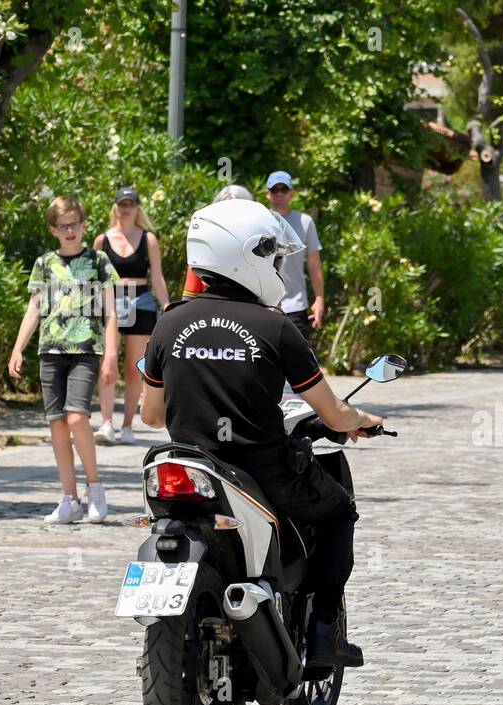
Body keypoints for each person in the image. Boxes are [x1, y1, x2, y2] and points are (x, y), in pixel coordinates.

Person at [139, 199, 383, 668]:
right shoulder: (275, 328)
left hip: (188, 466)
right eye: (271, 255)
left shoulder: (169, 322)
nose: (276, 265)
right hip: (261, 468)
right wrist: (361, 420)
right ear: (247, 255)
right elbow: (332, 414)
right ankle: (324, 633)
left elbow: (151, 415)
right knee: (338, 512)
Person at [7, 196, 119, 523]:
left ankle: (95, 488)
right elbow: (34, 308)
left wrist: (111, 353)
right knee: (56, 422)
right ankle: (69, 498)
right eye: (63, 226)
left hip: (86, 348)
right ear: (53, 229)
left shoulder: (99, 261)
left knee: (76, 417)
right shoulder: (44, 263)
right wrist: (18, 347)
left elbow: (112, 311)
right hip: (50, 350)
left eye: (75, 224)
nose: (70, 231)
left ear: (84, 225)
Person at [91, 187, 170, 445]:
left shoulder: (148, 239)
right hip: (110, 300)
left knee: (135, 370)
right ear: (115, 207)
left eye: (131, 204)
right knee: (108, 364)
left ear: (138, 207)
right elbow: (94, 279)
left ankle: (127, 426)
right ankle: (105, 424)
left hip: (141, 300)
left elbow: (156, 276)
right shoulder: (102, 240)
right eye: (122, 204)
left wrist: (167, 306)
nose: (126, 208)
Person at [264, 171, 325, 341]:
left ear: (292, 193)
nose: (280, 194)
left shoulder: (305, 222)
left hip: (295, 307)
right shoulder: (258, 221)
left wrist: (319, 299)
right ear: (268, 193)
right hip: (263, 305)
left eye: (284, 190)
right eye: (275, 190)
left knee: (296, 366)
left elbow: (314, 265)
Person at [180, 184, 255, 301]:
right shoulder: (203, 249)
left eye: (238, 212)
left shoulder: (259, 249)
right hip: (210, 315)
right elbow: (188, 299)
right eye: (225, 212)